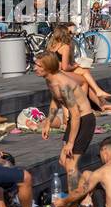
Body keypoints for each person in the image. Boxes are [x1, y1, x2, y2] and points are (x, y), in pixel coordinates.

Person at [35, 51, 97, 188]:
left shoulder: (63, 85)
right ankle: (87, 190)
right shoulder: (50, 80)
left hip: (84, 121)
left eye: (39, 66)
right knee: (63, 161)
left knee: (71, 166)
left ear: (48, 67)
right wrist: (48, 123)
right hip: (75, 121)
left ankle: (74, 204)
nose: (35, 68)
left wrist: (70, 142)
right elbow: (55, 100)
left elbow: (75, 114)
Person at [47, 24, 111, 110]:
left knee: (84, 72)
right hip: (60, 74)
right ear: (64, 33)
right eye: (69, 32)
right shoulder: (65, 46)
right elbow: (65, 67)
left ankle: (101, 103)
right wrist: (75, 65)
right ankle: (84, 106)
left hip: (52, 73)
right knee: (84, 80)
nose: (72, 34)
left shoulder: (51, 45)